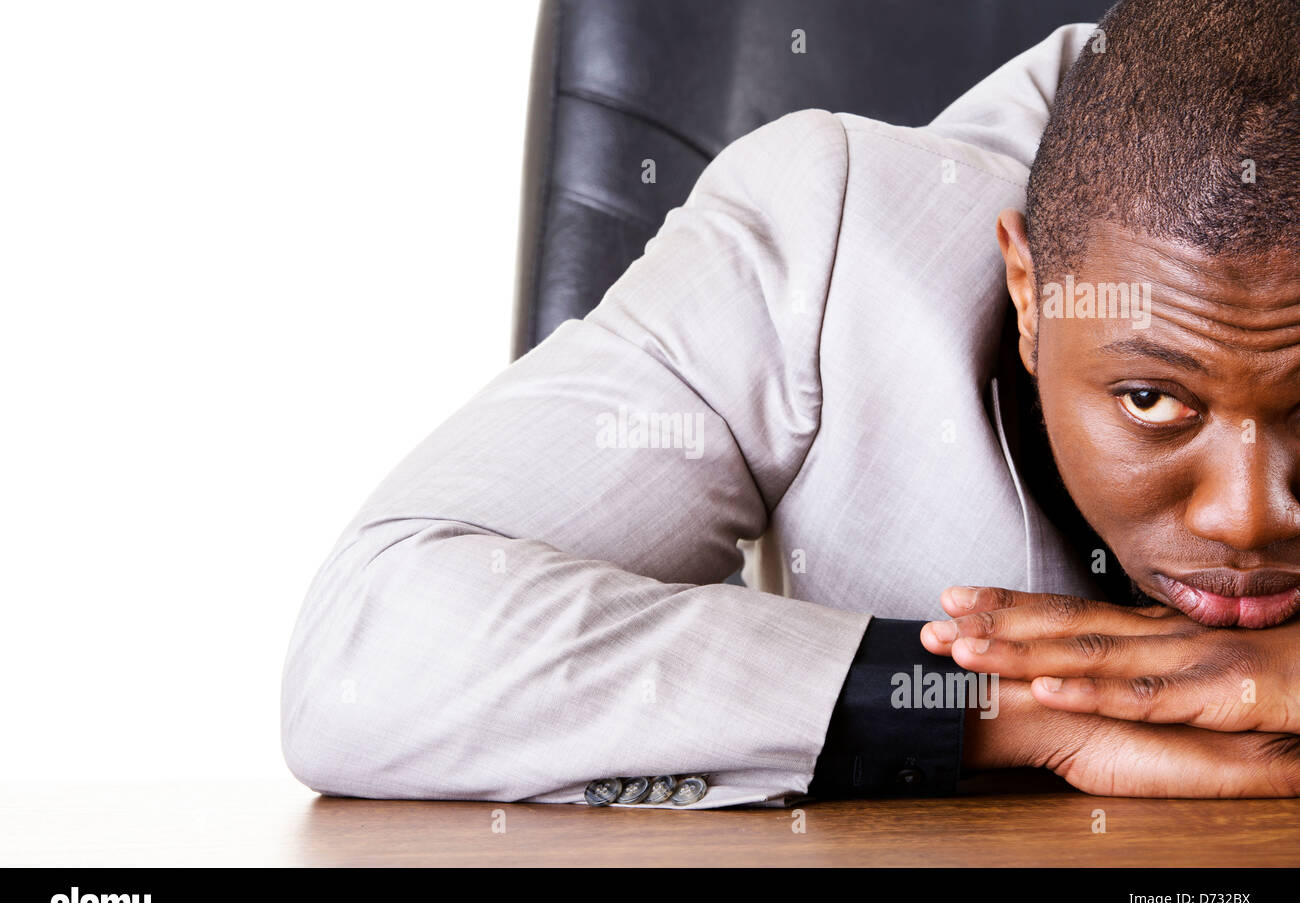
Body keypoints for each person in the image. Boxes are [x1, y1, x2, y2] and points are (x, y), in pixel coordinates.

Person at [281, 0, 1300, 809]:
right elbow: (370, 654)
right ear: (1030, 297)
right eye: (1149, 399)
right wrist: (1017, 700)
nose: (1247, 517)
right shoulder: (827, 235)